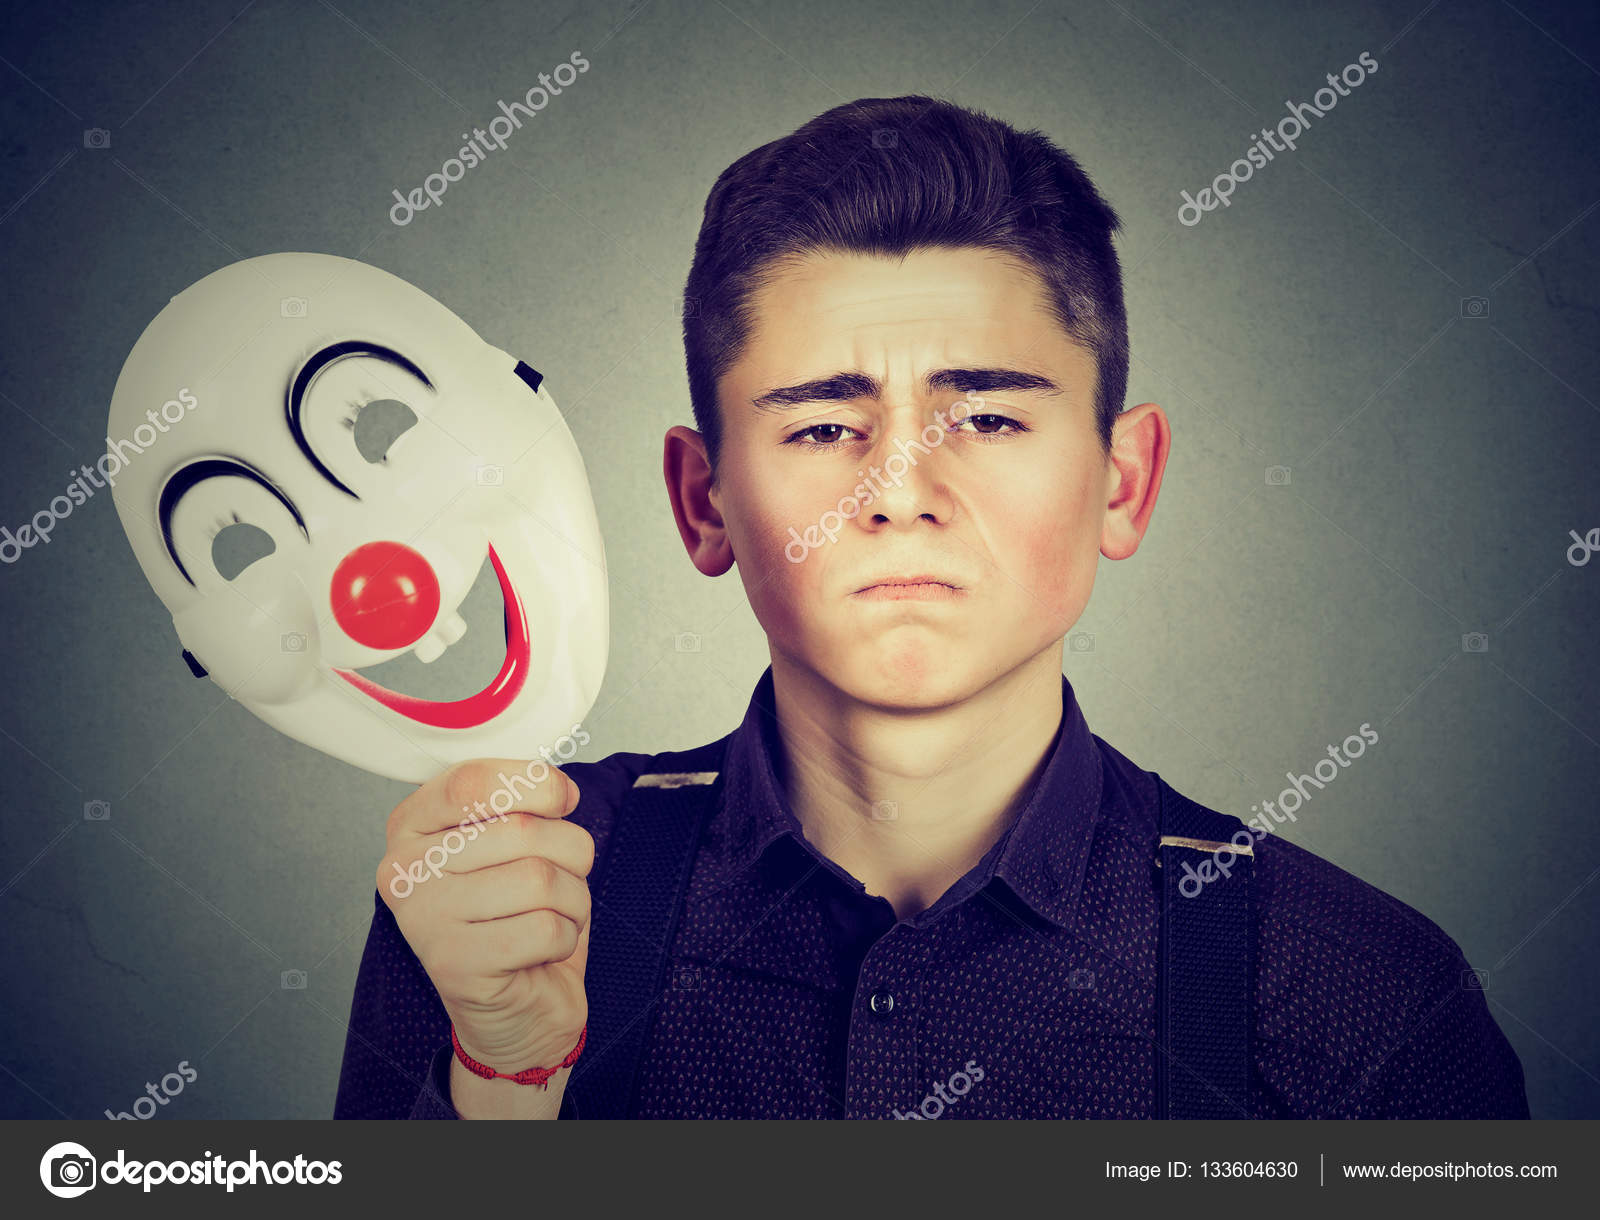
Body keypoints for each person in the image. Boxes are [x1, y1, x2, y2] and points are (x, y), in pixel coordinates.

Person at [334, 94, 1529, 1120]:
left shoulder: (1364, 996)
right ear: (703, 500)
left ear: (1123, 481)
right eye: (820, 426)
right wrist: (501, 1079)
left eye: (992, 417)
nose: (899, 493)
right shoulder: (500, 900)